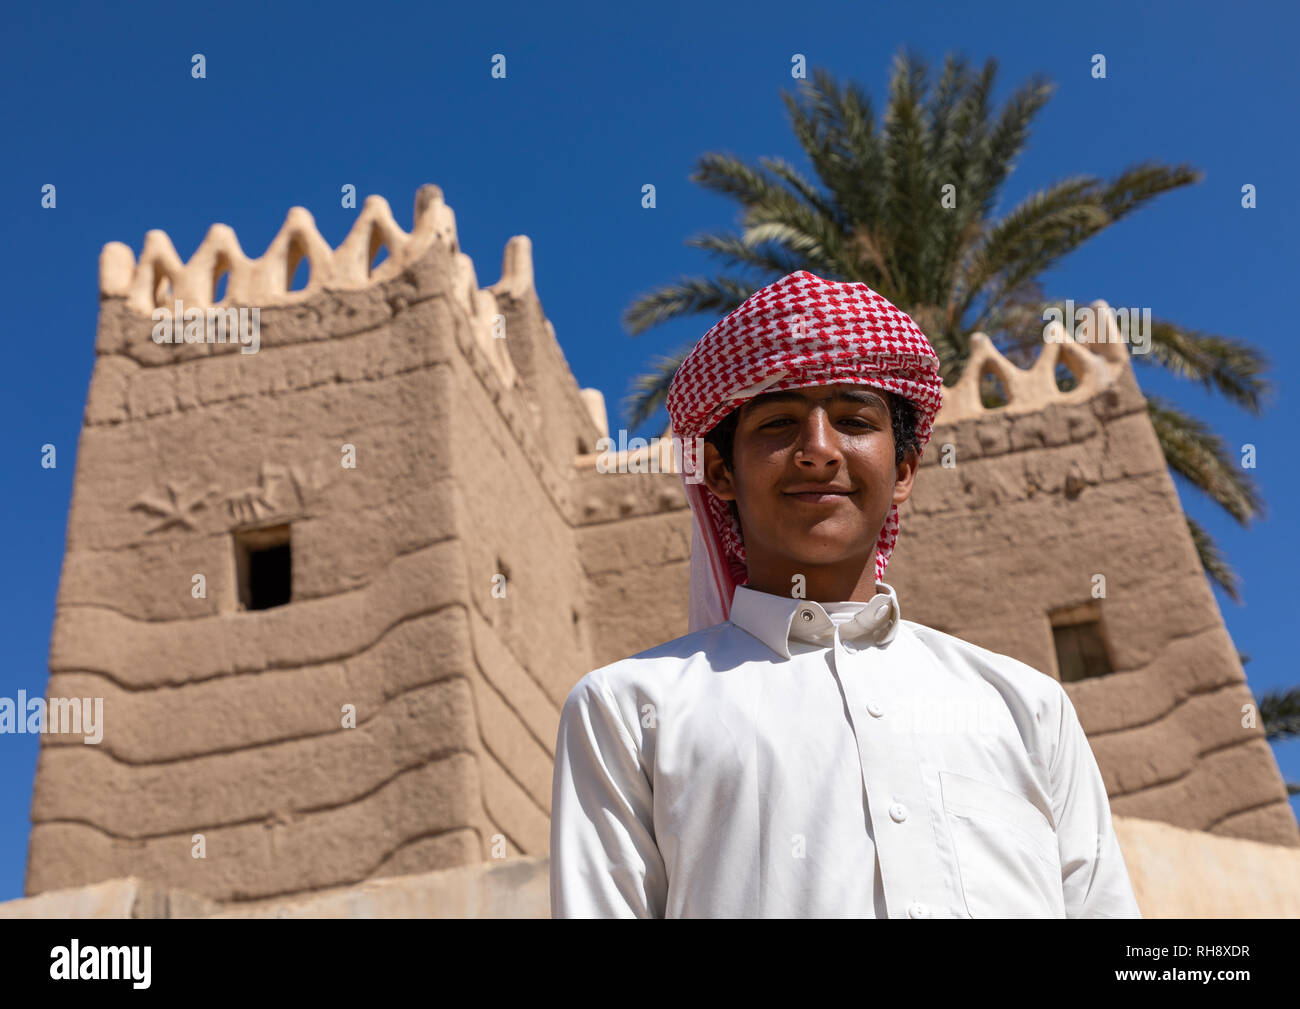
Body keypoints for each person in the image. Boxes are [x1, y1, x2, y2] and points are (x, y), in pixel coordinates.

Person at [549, 270, 1142, 918]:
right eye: (778, 424)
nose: (819, 450)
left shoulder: (1027, 708)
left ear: (905, 469)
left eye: (854, 419)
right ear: (720, 471)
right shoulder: (628, 711)